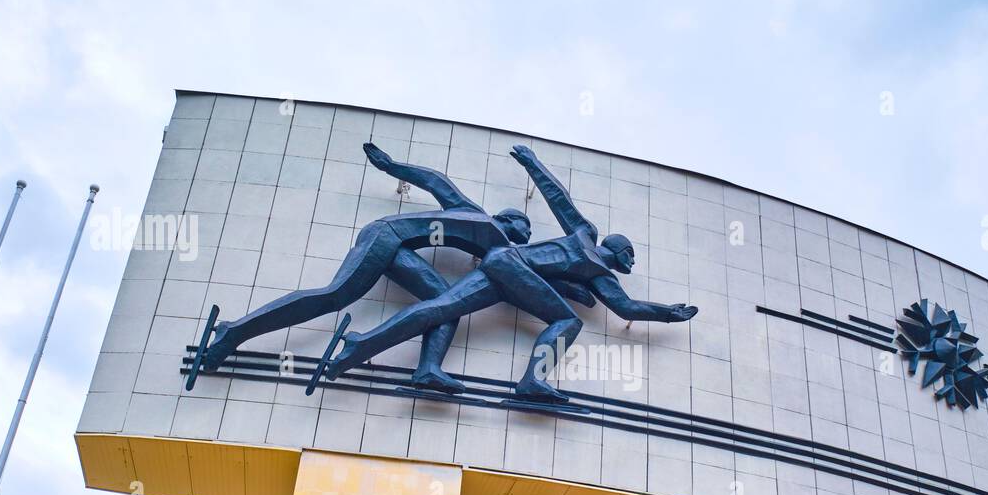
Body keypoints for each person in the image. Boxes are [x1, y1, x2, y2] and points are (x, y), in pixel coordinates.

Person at [322, 145, 698, 403]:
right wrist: (533, 165)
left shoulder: (602, 279)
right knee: (566, 321)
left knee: (441, 308)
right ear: (618, 249)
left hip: (502, 264)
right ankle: (532, 380)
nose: (630, 263)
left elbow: (627, 308)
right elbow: (559, 199)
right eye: (629, 254)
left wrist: (666, 313)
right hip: (512, 268)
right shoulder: (586, 236)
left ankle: (362, 346)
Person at [194, 142, 534, 393]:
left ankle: (427, 369)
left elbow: (437, 182)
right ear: (508, 220)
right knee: (335, 296)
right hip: (385, 235)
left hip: (399, 249)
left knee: (444, 304)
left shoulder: (491, 236)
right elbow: (435, 181)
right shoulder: (486, 224)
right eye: (525, 228)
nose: (526, 237)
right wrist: (392, 167)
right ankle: (234, 331)